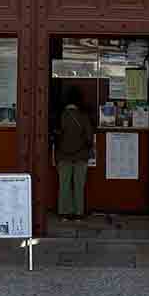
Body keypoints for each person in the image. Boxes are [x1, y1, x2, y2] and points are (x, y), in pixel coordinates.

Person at [54, 89, 93, 219]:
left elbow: (55, 135)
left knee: (64, 185)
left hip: (63, 155)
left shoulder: (59, 116)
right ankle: (78, 213)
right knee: (79, 186)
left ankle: (64, 212)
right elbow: (89, 137)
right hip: (81, 156)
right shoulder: (83, 116)